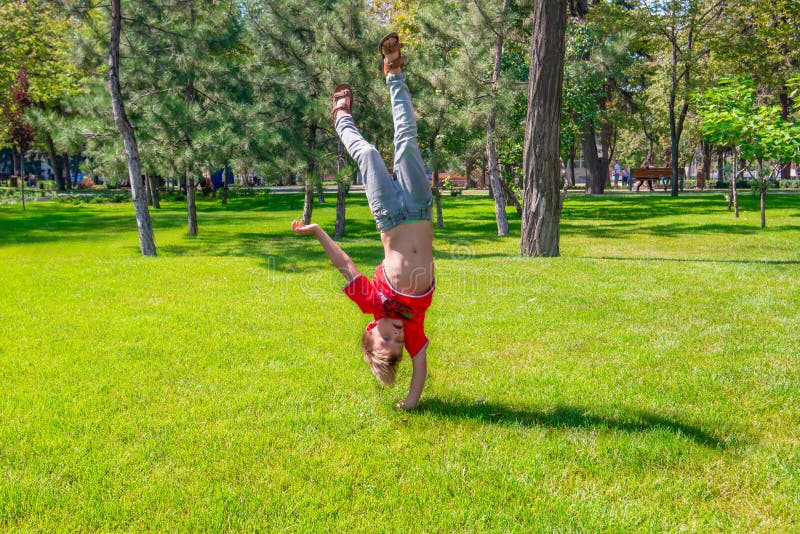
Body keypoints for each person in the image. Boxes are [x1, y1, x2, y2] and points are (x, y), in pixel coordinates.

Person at [291, 33, 434, 410]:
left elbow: (344, 264)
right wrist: (410, 402)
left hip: (389, 217)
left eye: (388, 339)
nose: (398, 337)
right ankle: (394, 72)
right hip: (419, 209)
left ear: (372, 330)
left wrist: (318, 230)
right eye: (399, 344)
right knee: (406, 140)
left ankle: (341, 119)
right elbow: (419, 368)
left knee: (369, 155)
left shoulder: (371, 302)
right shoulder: (414, 328)